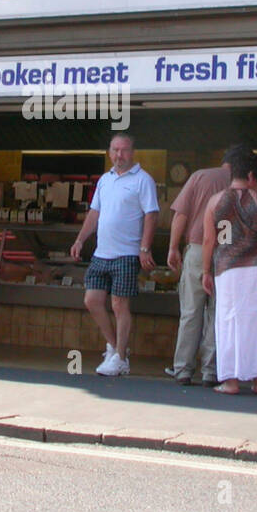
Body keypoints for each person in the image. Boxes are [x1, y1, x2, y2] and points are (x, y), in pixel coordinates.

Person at [69, 132, 159, 377]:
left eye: (125, 150)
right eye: (115, 150)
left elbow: (151, 215)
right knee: (92, 300)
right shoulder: (104, 180)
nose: (120, 155)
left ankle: (119, 358)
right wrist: (80, 239)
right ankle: (116, 349)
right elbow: (94, 213)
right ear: (109, 153)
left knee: (119, 304)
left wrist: (144, 247)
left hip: (127, 253)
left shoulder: (143, 180)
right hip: (102, 252)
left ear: (133, 152)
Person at [163, 145, 251, 386]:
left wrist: (172, 247)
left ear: (224, 160)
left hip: (198, 248)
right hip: (228, 254)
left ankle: (183, 369)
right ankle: (210, 371)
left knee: (191, 312)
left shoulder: (200, 176)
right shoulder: (244, 185)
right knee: (217, 313)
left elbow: (180, 214)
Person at [201, 148, 257, 394]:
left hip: (227, 269)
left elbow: (209, 240)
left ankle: (231, 381)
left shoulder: (215, 201)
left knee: (228, 321)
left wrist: (205, 271)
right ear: (250, 174)